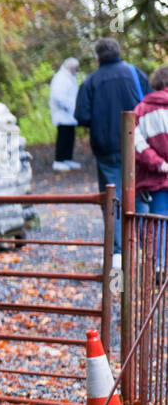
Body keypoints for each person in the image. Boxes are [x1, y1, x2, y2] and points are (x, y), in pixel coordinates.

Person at [74, 37, 150, 260]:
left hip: (106, 146)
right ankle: (147, 251)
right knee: (140, 192)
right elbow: (148, 103)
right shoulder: (135, 73)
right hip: (137, 143)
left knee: (113, 197)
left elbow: (81, 116)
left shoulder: (91, 81)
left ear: (98, 57)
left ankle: (118, 253)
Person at [132, 65, 168, 270]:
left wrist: (160, 164)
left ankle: (160, 267)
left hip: (156, 177)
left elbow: (136, 144)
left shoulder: (142, 109)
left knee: (158, 222)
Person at [49, 57, 80, 169]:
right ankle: (59, 160)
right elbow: (57, 96)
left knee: (70, 137)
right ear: (70, 67)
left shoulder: (69, 77)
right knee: (63, 137)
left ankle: (67, 158)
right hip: (63, 114)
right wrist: (68, 107)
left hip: (70, 114)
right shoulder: (61, 78)